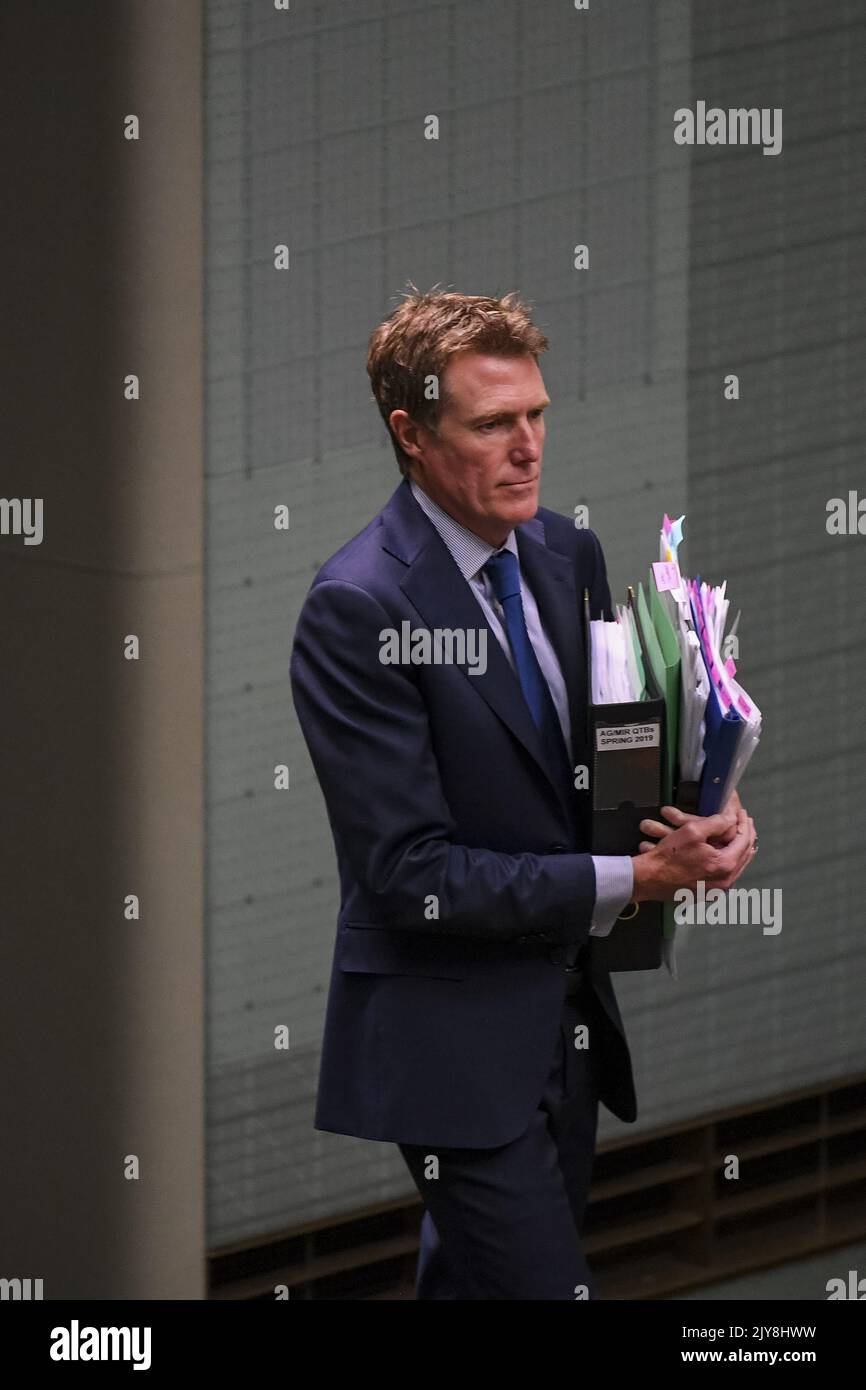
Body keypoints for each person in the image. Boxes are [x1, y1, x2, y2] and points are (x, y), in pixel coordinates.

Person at [289, 288, 756, 1300]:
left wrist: (704, 812)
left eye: (536, 415)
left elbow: (599, 770)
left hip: (570, 1023)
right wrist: (634, 875)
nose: (527, 447)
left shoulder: (563, 554)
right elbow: (409, 874)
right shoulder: (356, 607)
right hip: (449, 1051)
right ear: (409, 433)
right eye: (492, 423)